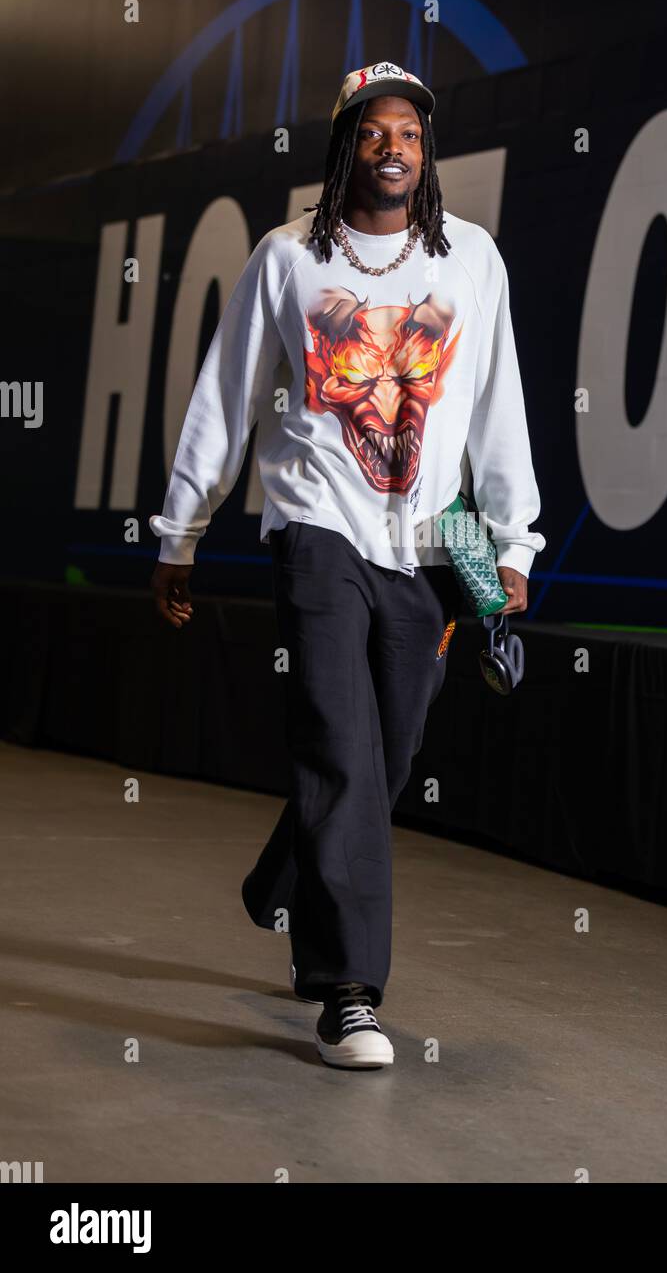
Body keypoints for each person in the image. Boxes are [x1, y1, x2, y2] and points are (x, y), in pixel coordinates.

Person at [149, 60, 545, 1069]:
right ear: (343, 147)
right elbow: (224, 395)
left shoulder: (470, 261)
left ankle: (283, 880)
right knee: (336, 742)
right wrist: (180, 531)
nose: (394, 149)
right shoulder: (286, 259)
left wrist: (512, 542)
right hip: (315, 529)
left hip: (428, 540)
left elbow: (499, 404)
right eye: (374, 132)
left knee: (388, 749)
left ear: (426, 150)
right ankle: (347, 990)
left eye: (410, 132)